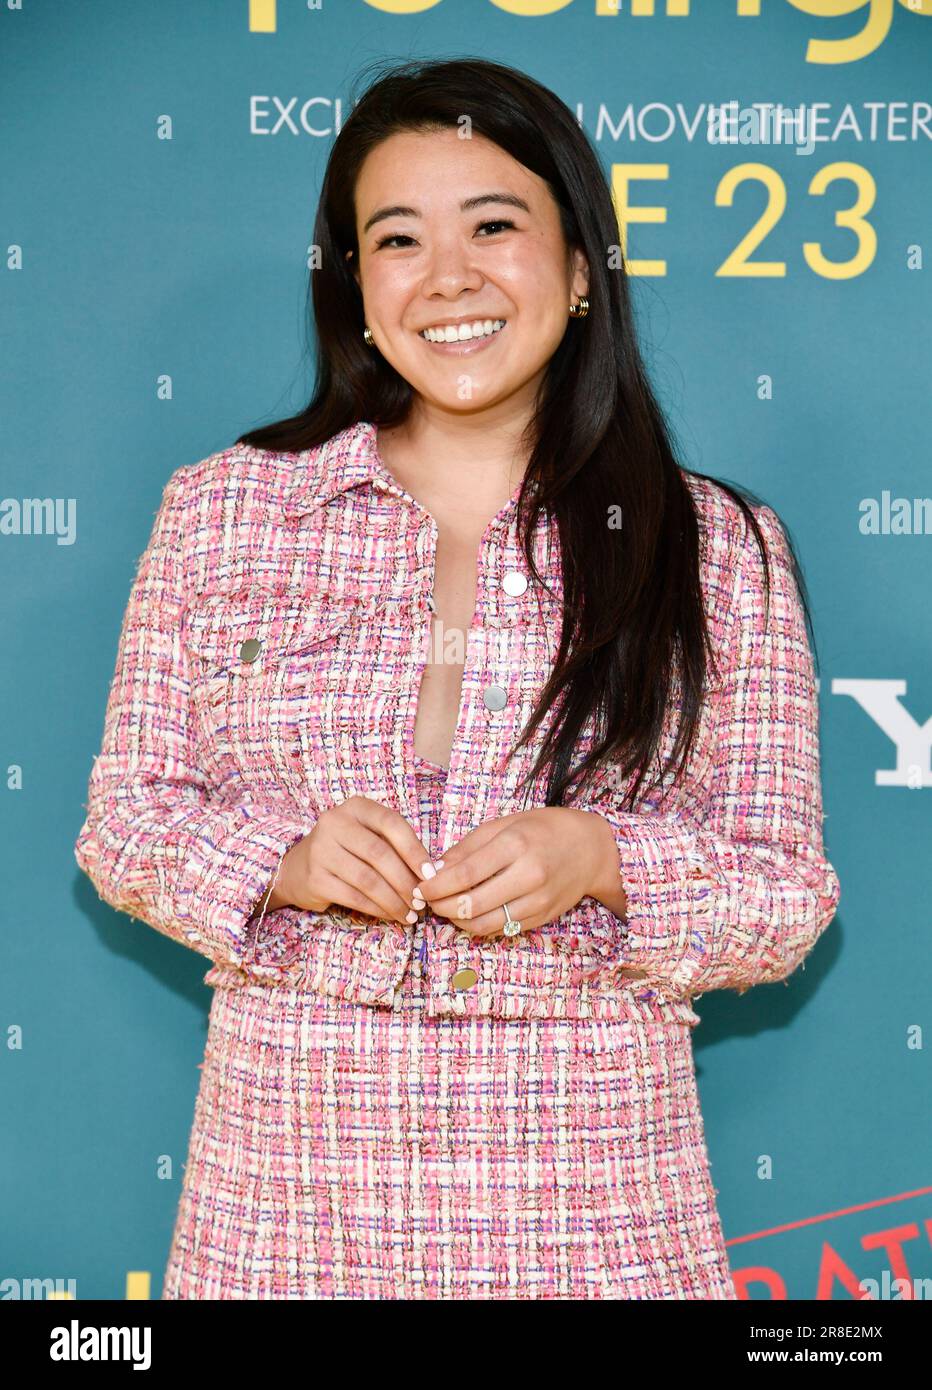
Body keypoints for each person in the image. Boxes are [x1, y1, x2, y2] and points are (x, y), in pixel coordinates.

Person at [74, 56, 841, 1300]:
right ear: (355, 288)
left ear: (583, 267)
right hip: (284, 1206)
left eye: (494, 225)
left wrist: (602, 859)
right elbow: (125, 823)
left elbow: (785, 890)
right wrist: (284, 862)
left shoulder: (710, 548)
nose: (449, 279)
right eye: (397, 240)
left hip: (596, 1212)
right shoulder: (225, 511)